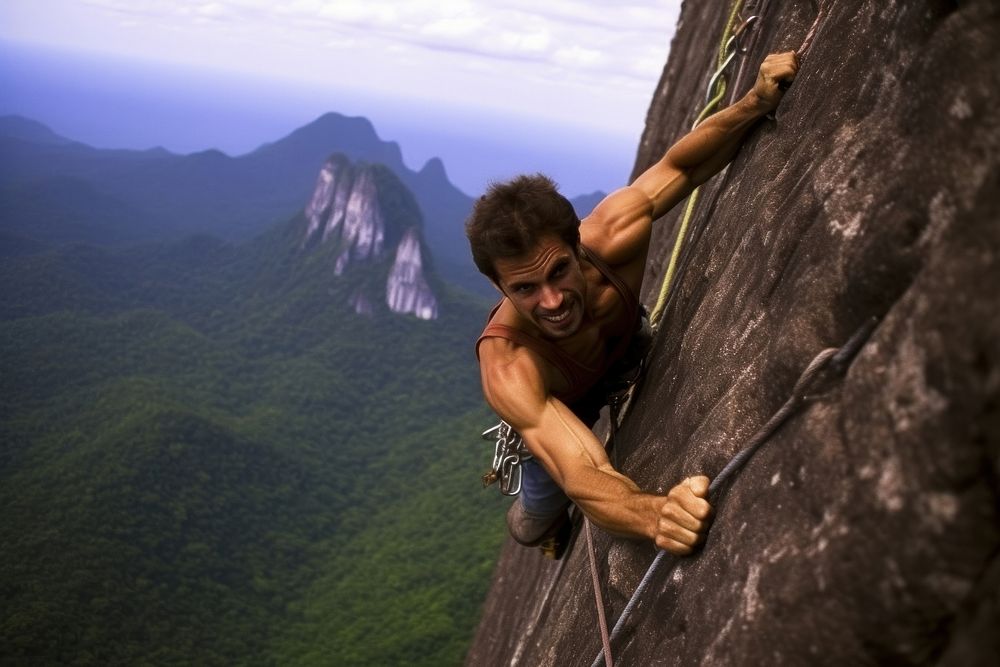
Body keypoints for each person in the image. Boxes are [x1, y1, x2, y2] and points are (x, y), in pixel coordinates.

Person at [467, 52, 799, 557]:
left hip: (622, 349)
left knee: (635, 341)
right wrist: (657, 514)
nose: (553, 301)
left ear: (579, 246)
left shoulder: (612, 234)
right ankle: (538, 526)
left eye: (559, 270)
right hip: (561, 410)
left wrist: (755, 101)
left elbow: (682, 168)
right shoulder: (510, 367)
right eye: (526, 289)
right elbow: (585, 472)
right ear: (500, 290)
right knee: (535, 519)